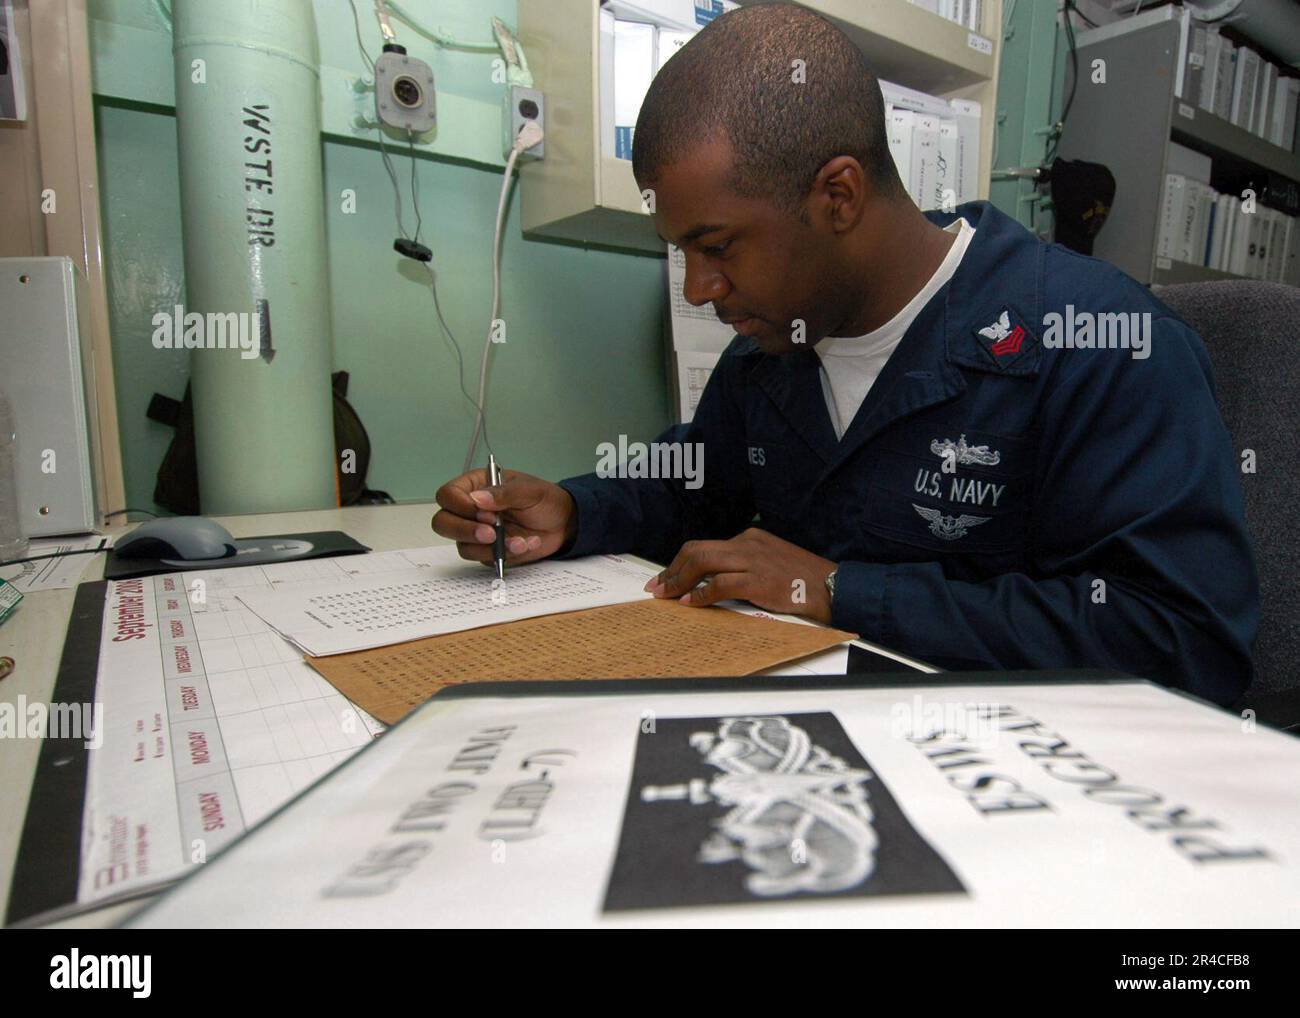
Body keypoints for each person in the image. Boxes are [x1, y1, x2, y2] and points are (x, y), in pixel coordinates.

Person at [433, 3, 1257, 706]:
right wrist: (574, 512)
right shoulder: (774, 348)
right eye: (681, 252)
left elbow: (1185, 643)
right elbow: (696, 486)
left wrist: (837, 589)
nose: (697, 289)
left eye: (715, 246)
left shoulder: (1096, 341)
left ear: (838, 195)